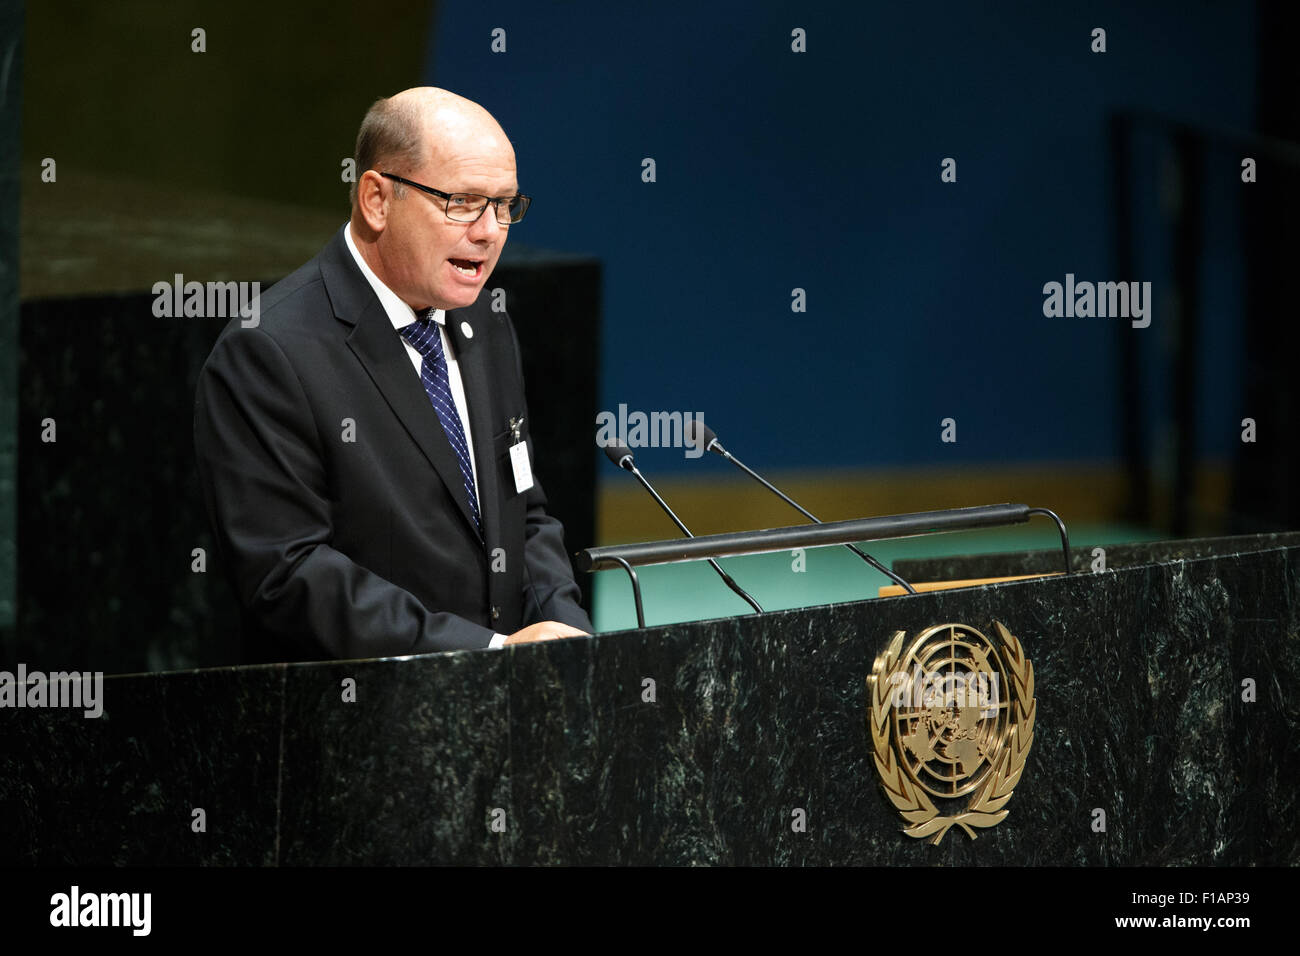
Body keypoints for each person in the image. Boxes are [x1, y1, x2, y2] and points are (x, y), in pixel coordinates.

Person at [194, 87, 592, 662]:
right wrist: (487, 652)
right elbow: (288, 573)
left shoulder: (485, 321)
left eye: (504, 204)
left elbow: (524, 515)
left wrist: (568, 638)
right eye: (462, 201)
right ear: (377, 199)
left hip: (509, 710)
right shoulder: (268, 353)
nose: (490, 230)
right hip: (362, 725)